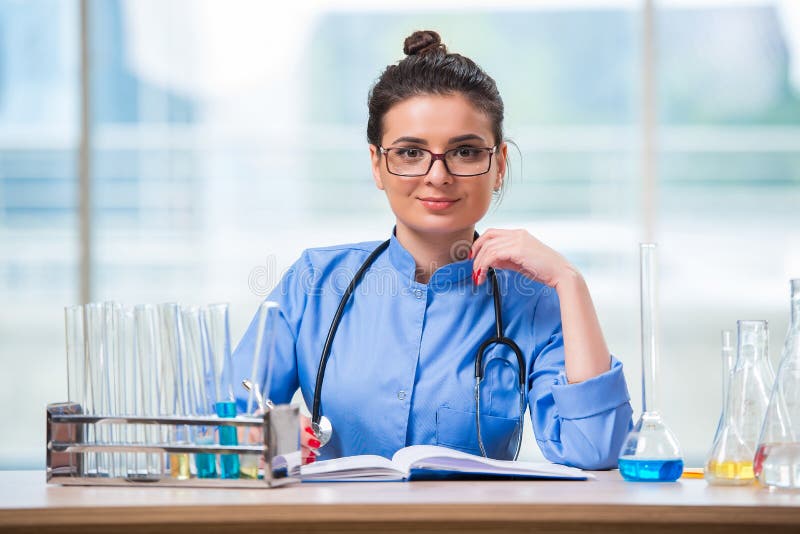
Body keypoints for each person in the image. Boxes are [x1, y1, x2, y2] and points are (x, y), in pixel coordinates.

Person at [233, 30, 633, 470]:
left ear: (498, 165)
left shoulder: (534, 301)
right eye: (410, 152)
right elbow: (222, 420)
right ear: (377, 165)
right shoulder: (314, 282)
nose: (438, 175)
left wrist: (569, 282)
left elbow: (594, 451)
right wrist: (269, 433)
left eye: (464, 151)